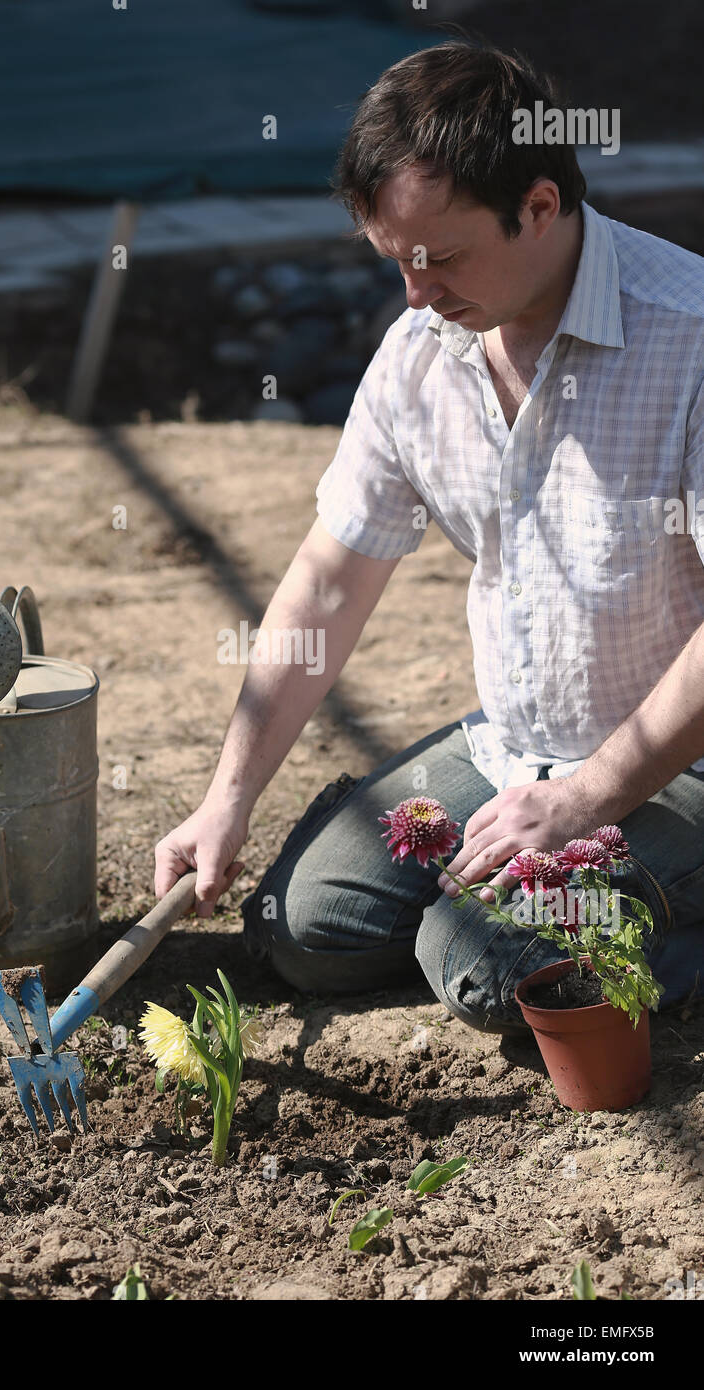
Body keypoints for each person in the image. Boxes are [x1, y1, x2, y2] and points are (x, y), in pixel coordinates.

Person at [154, 39, 704, 1033]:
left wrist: (582, 800)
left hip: (682, 766)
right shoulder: (421, 353)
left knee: (477, 956)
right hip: (518, 748)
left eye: (438, 258)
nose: (412, 296)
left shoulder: (688, 333)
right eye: (393, 262)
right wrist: (224, 799)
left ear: (539, 207)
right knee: (301, 924)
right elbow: (326, 582)